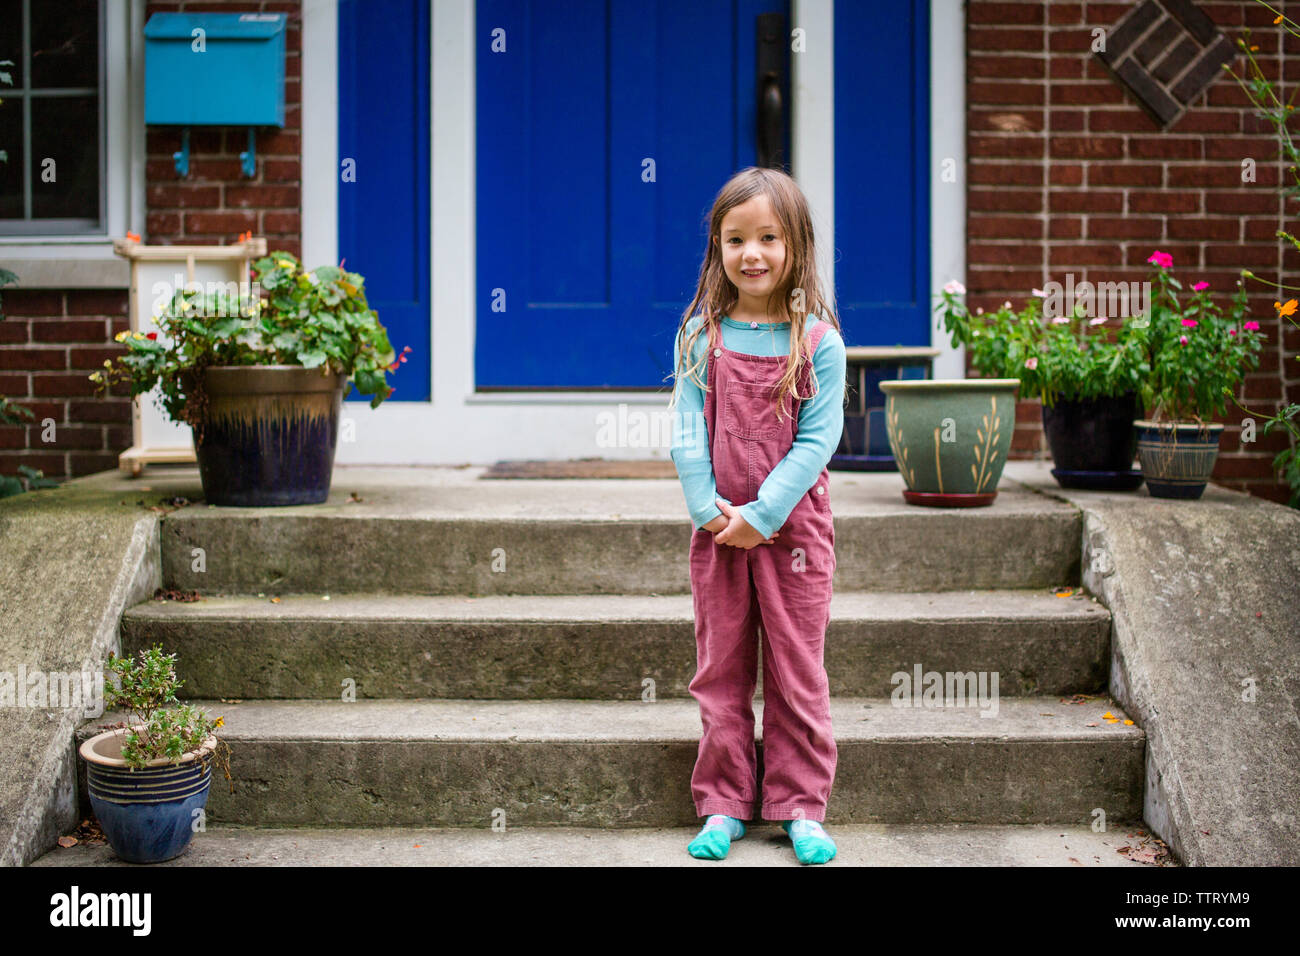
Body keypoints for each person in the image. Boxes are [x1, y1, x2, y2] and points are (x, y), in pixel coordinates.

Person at [667, 166, 847, 865]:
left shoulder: (818, 344)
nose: (752, 253)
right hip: (717, 531)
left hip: (794, 534)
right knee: (721, 668)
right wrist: (707, 509)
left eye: (769, 237)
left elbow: (817, 441)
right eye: (736, 238)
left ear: (795, 245)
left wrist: (764, 514)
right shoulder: (700, 336)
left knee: (797, 669)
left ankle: (801, 804)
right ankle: (722, 802)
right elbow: (686, 426)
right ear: (717, 246)